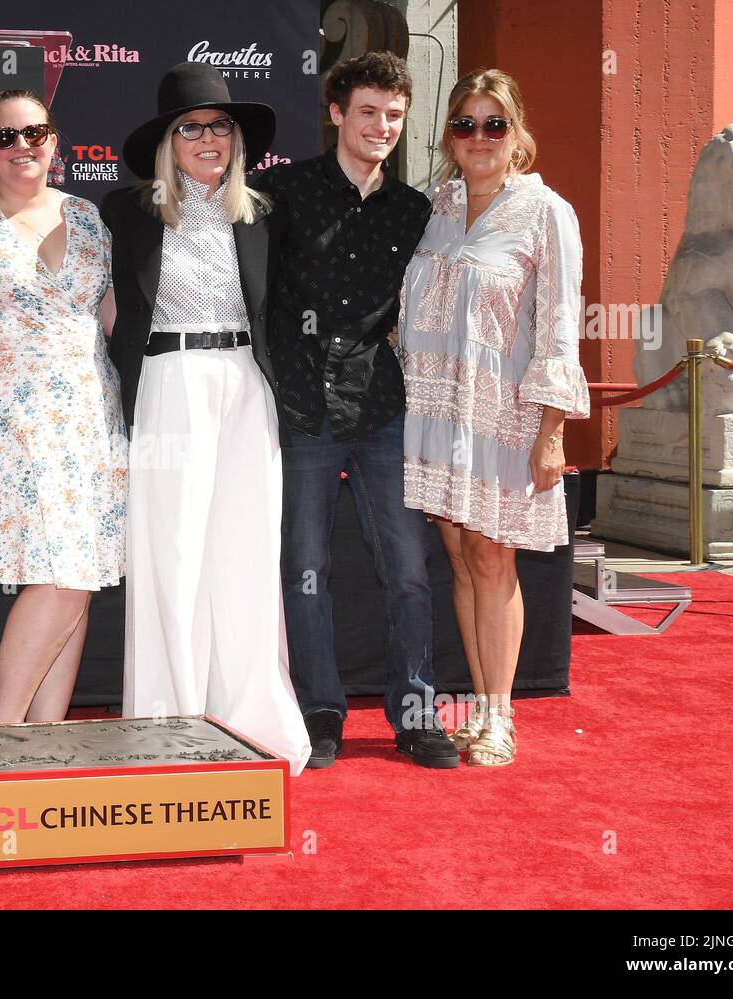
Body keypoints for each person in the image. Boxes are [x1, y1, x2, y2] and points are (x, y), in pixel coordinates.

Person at [102, 62, 311, 776]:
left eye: (220, 126)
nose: (208, 138)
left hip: (247, 389)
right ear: (168, 140)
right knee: (173, 556)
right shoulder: (125, 213)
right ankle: (171, 724)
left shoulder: (265, 213)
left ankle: (253, 719)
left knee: (246, 556)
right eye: (190, 127)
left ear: (237, 137)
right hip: (168, 386)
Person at [256, 52, 457, 769]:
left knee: (405, 565)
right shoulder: (279, 192)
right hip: (303, 406)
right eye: (367, 111)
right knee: (305, 565)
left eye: (395, 116)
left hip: (380, 406)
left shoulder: (414, 210)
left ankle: (415, 713)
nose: (381, 126)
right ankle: (320, 710)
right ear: (337, 112)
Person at [397, 69, 589, 766]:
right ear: (449, 137)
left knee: (491, 555)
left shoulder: (546, 213)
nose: (479, 137)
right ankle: (478, 706)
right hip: (433, 411)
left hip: (502, 416)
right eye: (466, 124)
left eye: (494, 124)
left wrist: (553, 430)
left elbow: (560, 328)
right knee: (457, 556)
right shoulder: (435, 205)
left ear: (517, 133)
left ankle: (499, 714)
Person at [0, 90, 127, 726]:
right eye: (6, 136)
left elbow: (112, 318)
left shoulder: (91, 217)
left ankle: (43, 734)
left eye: (34, 133)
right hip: (7, 415)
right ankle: (2, 724)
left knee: (79, 572)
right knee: (67, 569)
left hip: (89, 414)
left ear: (54, 140)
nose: (23, 147)